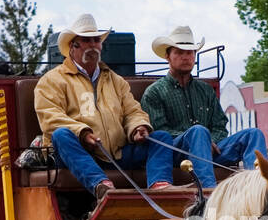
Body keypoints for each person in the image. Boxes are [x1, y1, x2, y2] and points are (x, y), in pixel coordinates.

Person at [33, 13, 174, 200]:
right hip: (81, 153)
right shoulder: (51, 80)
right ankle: (101, 185)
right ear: (72, 46)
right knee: (60, 135)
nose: (93, 45)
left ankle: (161, 187)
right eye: (86, 40)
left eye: (96, 40)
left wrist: (138, 128)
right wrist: (83, 132)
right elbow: (50, 117)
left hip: (117, 153)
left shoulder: (116, 81)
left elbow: (132, 111)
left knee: (161, 137)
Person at [141, 24, 268, 189]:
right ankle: (209, 191)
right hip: (175, 154)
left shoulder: (206, 90)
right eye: (179, 52)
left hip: (210, 151)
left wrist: (209, 141)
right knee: (198, 131)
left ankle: (261, 187)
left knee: (253, 134)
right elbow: (159, 133)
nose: (186, 57)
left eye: (190, 52)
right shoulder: (154, 92)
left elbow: (220, 125)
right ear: (168, 56)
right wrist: (200, 139)